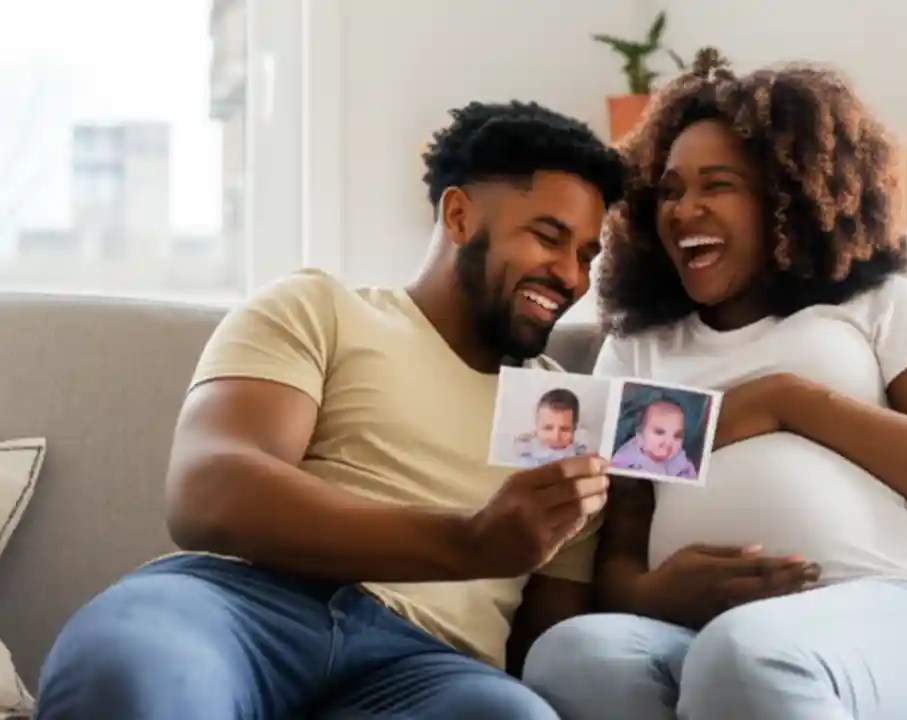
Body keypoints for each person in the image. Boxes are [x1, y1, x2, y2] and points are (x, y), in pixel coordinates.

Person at [35, 101, 626, 719]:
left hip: (428, 669)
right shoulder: (322, 310)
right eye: (547, 237)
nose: (570, 276)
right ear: (458, 215)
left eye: (587, 255)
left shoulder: (574, 414)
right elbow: (210, 490)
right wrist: (469, 543)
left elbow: (547, 644)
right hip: (241, 610)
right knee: (136, 667)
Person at [523, 55, 907, 719]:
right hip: (692, 633)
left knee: (744, 654)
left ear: (784, 198)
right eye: (669, 190)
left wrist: (790, 401)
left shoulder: (875, 306)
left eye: (716, 185)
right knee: (573, 657)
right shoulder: (635, 347)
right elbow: (617, 555)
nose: (684, 209)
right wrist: (660, 594)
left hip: (896, 616)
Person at [609, 398, 698, 479]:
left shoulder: (679, 459)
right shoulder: (629, 455)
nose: (668, 443)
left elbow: (690, 478)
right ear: (640, 435)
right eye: (659, 432)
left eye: (677, 436)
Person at [514, 388, 588, 467]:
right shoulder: (528, 454)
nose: (555, 437)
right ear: (537, 428)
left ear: (574, 429)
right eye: (548, 428)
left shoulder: (578, 456)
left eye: (564, 429)